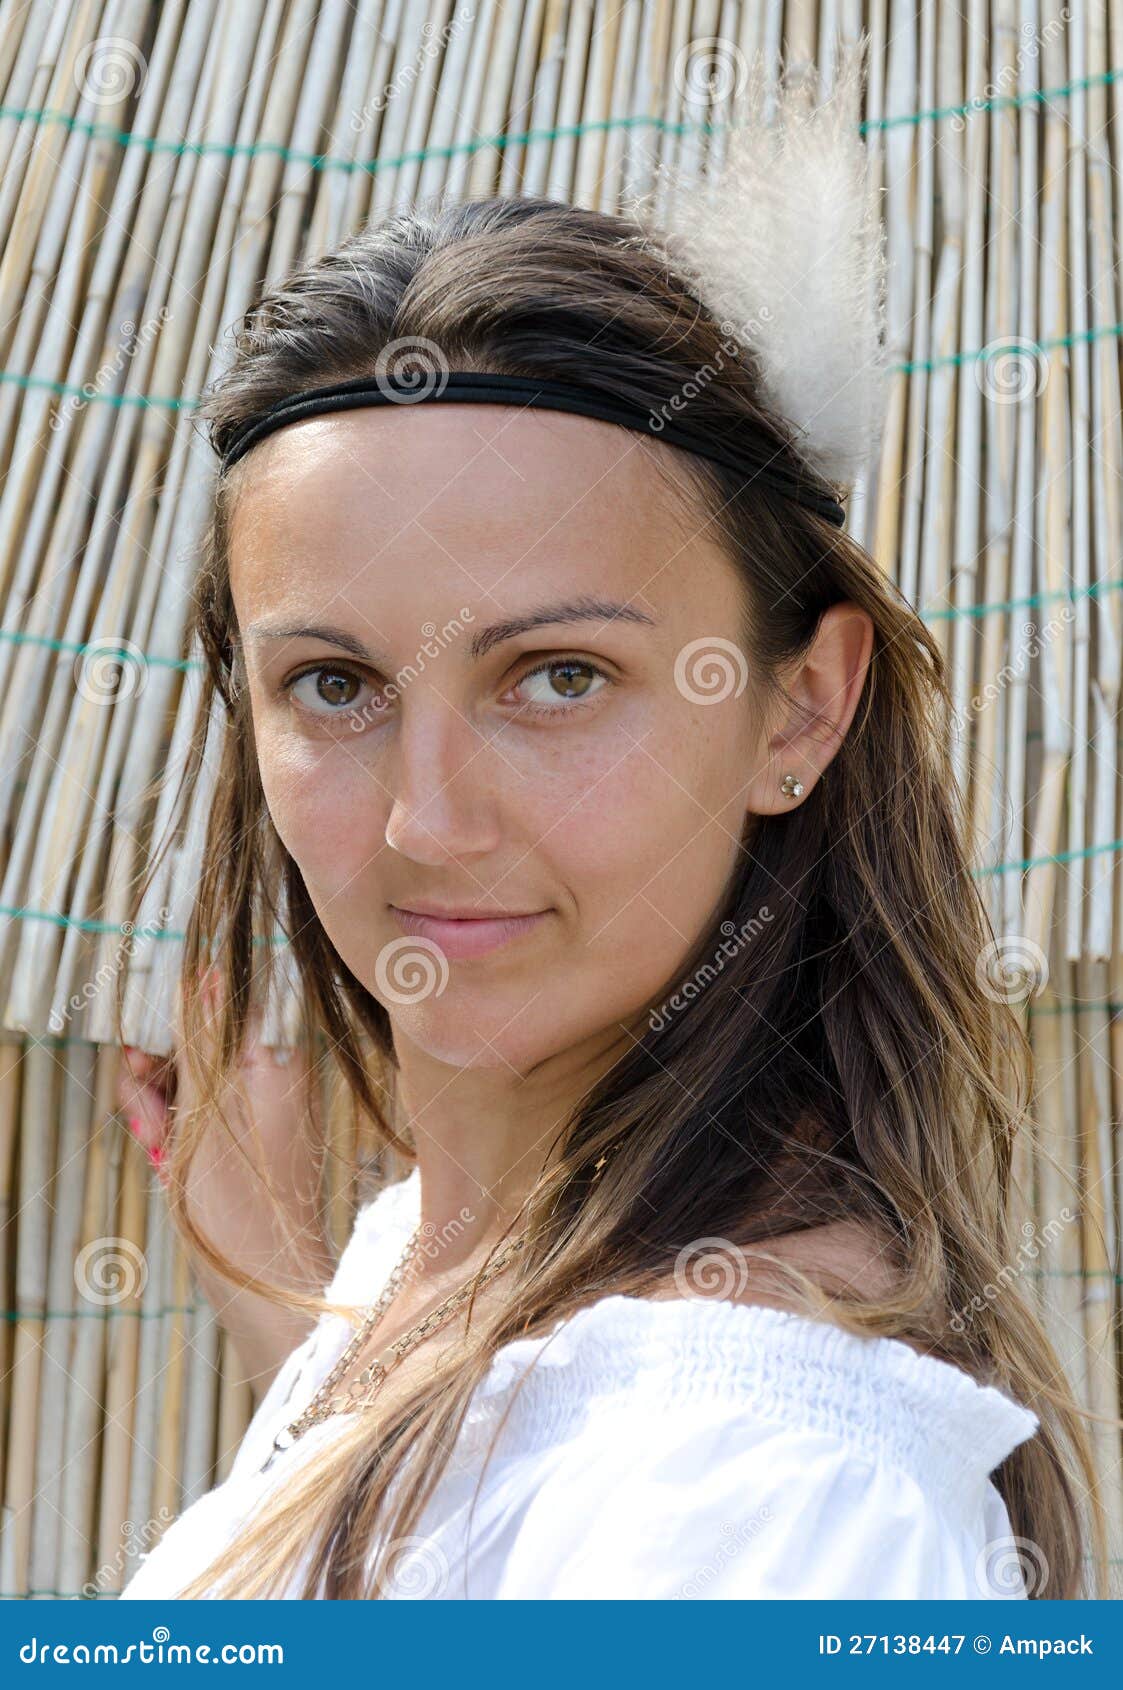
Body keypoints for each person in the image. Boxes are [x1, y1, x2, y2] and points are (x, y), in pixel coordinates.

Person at [108, 83, 1109, 1599]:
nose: (426, 819)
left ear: (798, 707)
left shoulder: (763, 1496)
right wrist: (314, 1319)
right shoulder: (448, 1266)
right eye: (335, 684)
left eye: (559, 677)